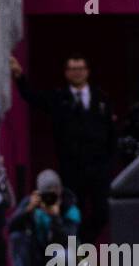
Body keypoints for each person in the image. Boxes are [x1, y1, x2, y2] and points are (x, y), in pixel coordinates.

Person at [10, 53, 115, 247]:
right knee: (73, 211)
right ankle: (76, 251)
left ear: (87, 72)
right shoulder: (58, 98)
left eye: (80, 69)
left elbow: (111, 132)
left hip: (98, 167)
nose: (77, 73)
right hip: (72, 167)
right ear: (66, 73)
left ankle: (84, 241)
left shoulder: (101, 98)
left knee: (103, 211)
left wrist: (109, 161)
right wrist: (19, 76)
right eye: (73, 69)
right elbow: (32, 97)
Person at [7, 169, 83, 266]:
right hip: (37, 253)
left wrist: (56, 217)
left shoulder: (69, 206)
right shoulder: (31, 203)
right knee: (16, 238)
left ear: (60, 190)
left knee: (63, 251)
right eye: (47, 192)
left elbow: (69, 240)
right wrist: (27, 210)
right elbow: (10, 227)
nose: (51, 196)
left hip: (61, 255)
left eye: (55, 191)